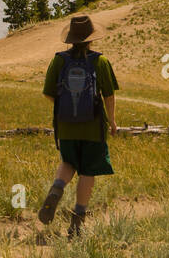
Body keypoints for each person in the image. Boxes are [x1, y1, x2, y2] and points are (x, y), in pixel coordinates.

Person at [38, 14, 119, 239]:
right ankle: (77, 223)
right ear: (91, 38)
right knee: (88, 170)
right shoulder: (100, 61)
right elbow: (109, 95)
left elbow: (48, 92)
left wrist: (65, 107)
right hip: (93, 126)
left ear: (71, 39)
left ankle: (57, 188)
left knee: (68, 162)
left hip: (66, 125)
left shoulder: (59, 60)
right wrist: (111, 120)